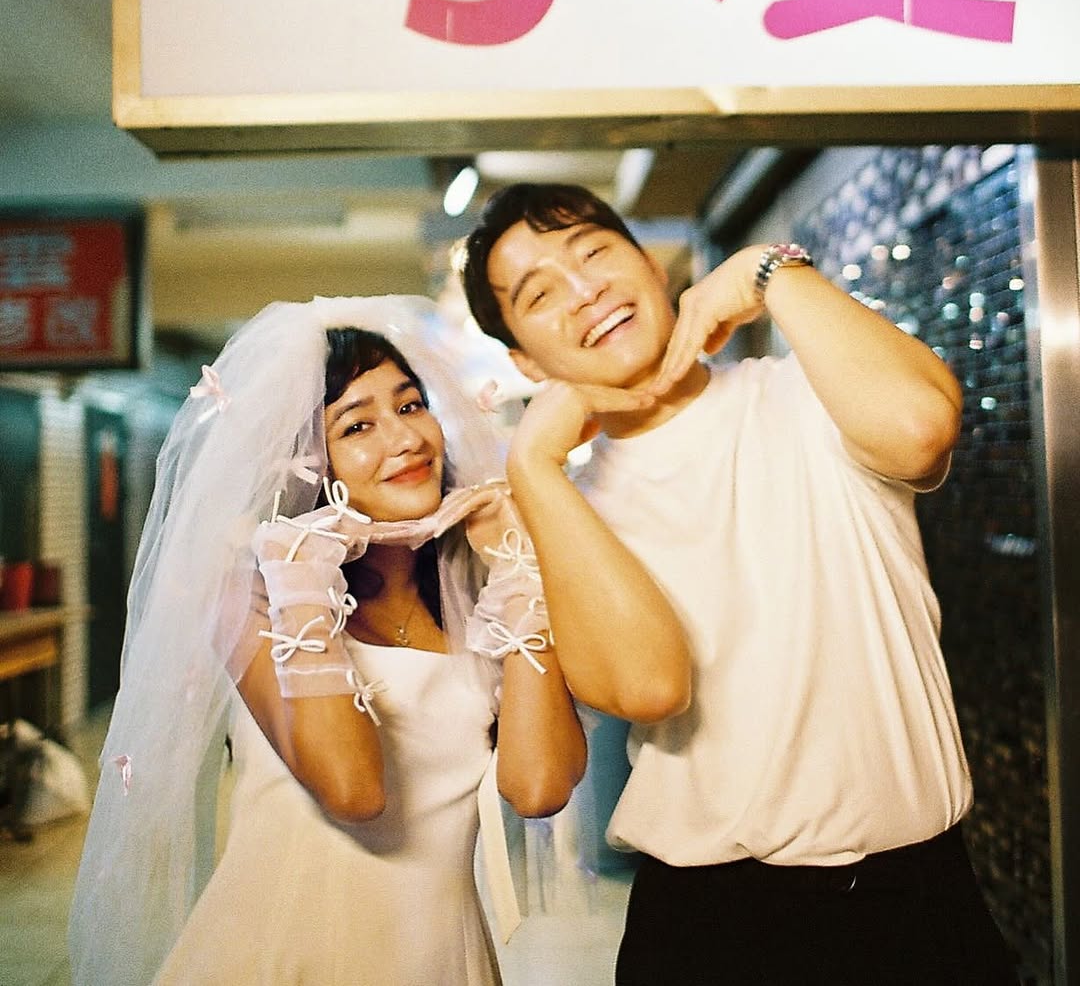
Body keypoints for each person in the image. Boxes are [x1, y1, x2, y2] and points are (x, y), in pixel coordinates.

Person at [462, 184, 1018, 986]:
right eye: (541, 293)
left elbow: (920, 429)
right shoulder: (566, 518)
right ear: (524, 360)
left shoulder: (805, 394)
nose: (584, 292)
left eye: (593, 253)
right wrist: (532, 467)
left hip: (917, 898)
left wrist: (770, 272)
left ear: (648, 264)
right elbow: (646, 686)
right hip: (713, 924)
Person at [68, 295, 585, 986]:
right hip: (288, 954)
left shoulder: (481, 586)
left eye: (409, 406)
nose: (404, 440)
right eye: (357, 425)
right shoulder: (252, 595)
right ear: (310, 461)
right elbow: (353, 789)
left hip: (442, 956)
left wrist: (521, 565)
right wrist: (301, 575)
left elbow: (540, 785)